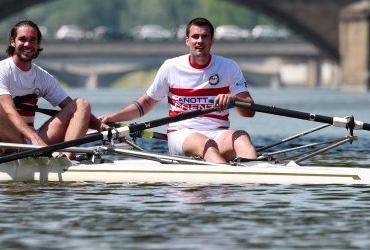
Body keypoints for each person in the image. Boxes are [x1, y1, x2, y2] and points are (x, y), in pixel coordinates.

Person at [99, 17, 256, 164]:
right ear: (187, 41)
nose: (200, 41)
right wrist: (114, 117)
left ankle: (257, 177)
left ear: (212, 40)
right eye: (195, 37)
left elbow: (249, 111)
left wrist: (234, 100)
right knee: (205, 144)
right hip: (182, 134)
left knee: (242, 137)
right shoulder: (171, 67)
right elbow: (145, 103)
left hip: (217, 133)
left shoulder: (228, 67)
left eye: (205, 36)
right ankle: (228, 178)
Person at [0, 20, 100, 159]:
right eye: (22, 39)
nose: (27, 44)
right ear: (12, 41)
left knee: (81, 104)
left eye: (32, 40)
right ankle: (27, 153)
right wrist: (35, 140)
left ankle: (66, 159)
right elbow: (9, 111)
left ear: (38, 44)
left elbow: (72, 107)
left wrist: (102, 126)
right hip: (2, 145)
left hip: (31, 142)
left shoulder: (42, 76)